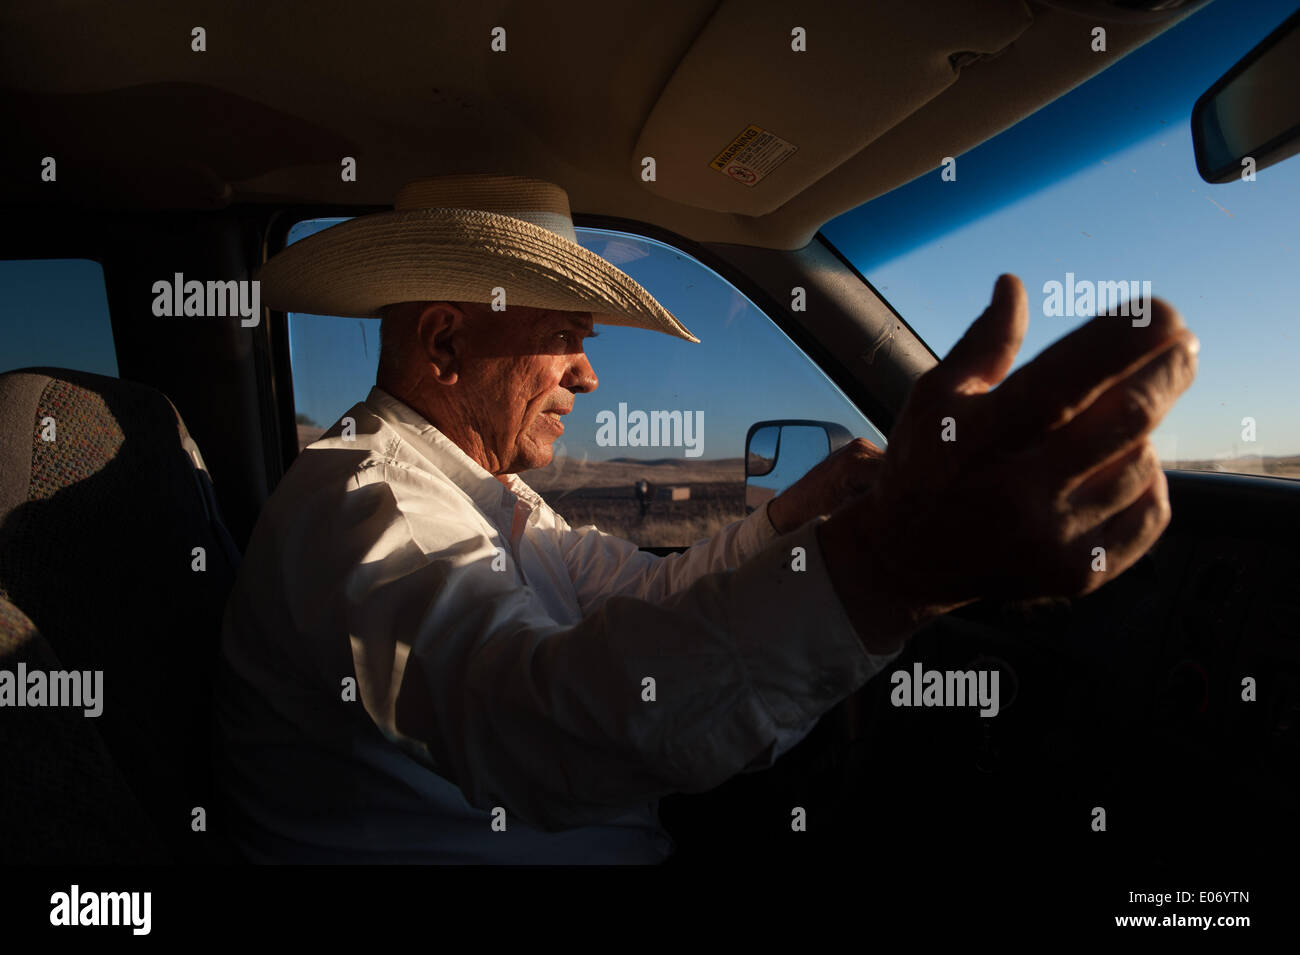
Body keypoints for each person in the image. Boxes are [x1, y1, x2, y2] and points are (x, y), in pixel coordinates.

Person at [214, 174, 1197, 863]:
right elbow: (537, 729)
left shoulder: (482, 495)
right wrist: (889, 569)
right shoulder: (364, 506)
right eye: (563, 339)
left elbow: (642, 592)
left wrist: (804, 520)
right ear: (444, 344)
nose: (589, 374)